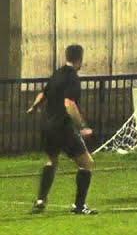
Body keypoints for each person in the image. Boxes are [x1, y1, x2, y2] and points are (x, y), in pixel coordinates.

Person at [27, 44, 97, 215]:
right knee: (87, 163)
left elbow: (43, 94)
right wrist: (83, 126)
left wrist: (34, 107)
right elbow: (69, 104)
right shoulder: (73, 77)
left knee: (51, 160)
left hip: (47, 126)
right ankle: (79, 206)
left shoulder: (57, 74)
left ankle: (40, 200)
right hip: (63, 127)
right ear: (80, 59)